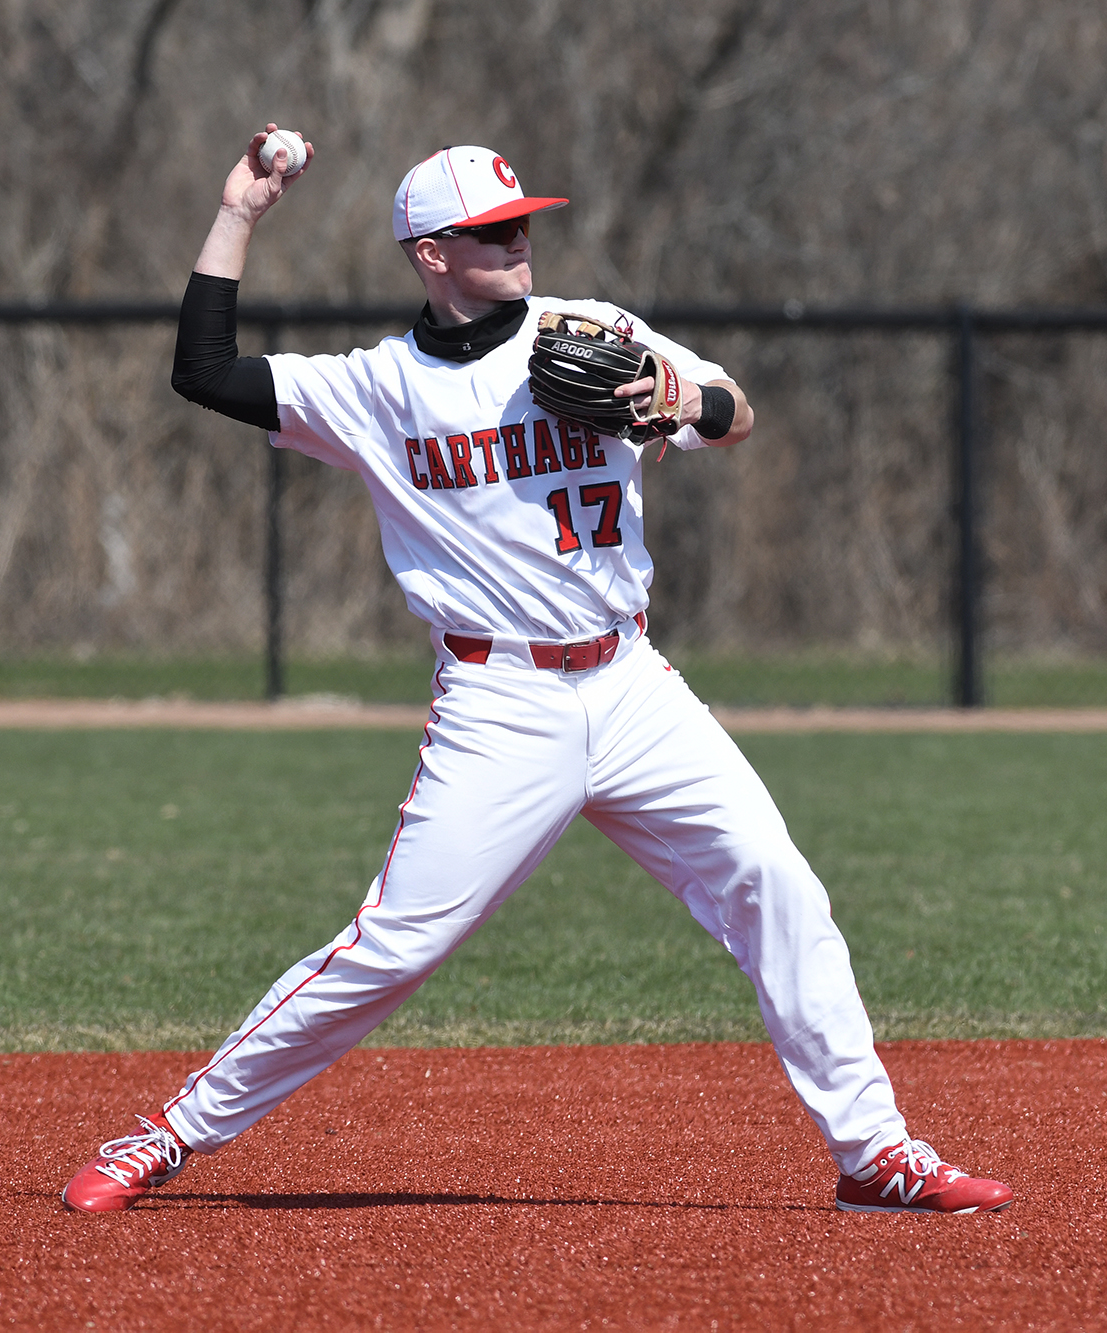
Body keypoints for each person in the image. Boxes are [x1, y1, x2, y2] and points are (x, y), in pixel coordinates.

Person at [60, 126, 1012, 1217]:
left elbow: (733, 409)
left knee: (775, 881)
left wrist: (678, 401)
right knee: (394, 946)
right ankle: (167, 1134)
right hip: (500, 701)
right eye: (490, 232)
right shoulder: (377, 389)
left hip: (632, 682)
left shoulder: (591, 333)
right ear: (428, 254)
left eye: (523, 223)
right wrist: (238, 215)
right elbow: (204, 372)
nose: (518, 242)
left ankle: (872, 1153)